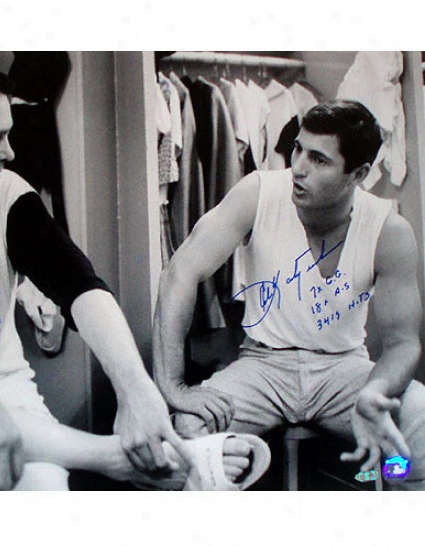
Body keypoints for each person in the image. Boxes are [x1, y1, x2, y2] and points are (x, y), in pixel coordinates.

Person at [0, 55, 269, 491]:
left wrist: (135, 387)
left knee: (46, 492)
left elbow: (79, 286)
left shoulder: (6, 195)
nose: (10, 152)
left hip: (10, 400)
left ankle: (105, 456)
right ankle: (113, 458)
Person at [153, 100, 425, 490]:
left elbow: (403, 343)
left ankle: (392, 493)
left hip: (344, 371)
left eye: (319, 160)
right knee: (189, 431)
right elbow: (179, 272)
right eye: (298, 148)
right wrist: (175, 387)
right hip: (263, 366)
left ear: (359, 174)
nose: (298, 166)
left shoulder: (389, 230)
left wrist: (375, 391)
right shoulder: (259, 193)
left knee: (417, 425)